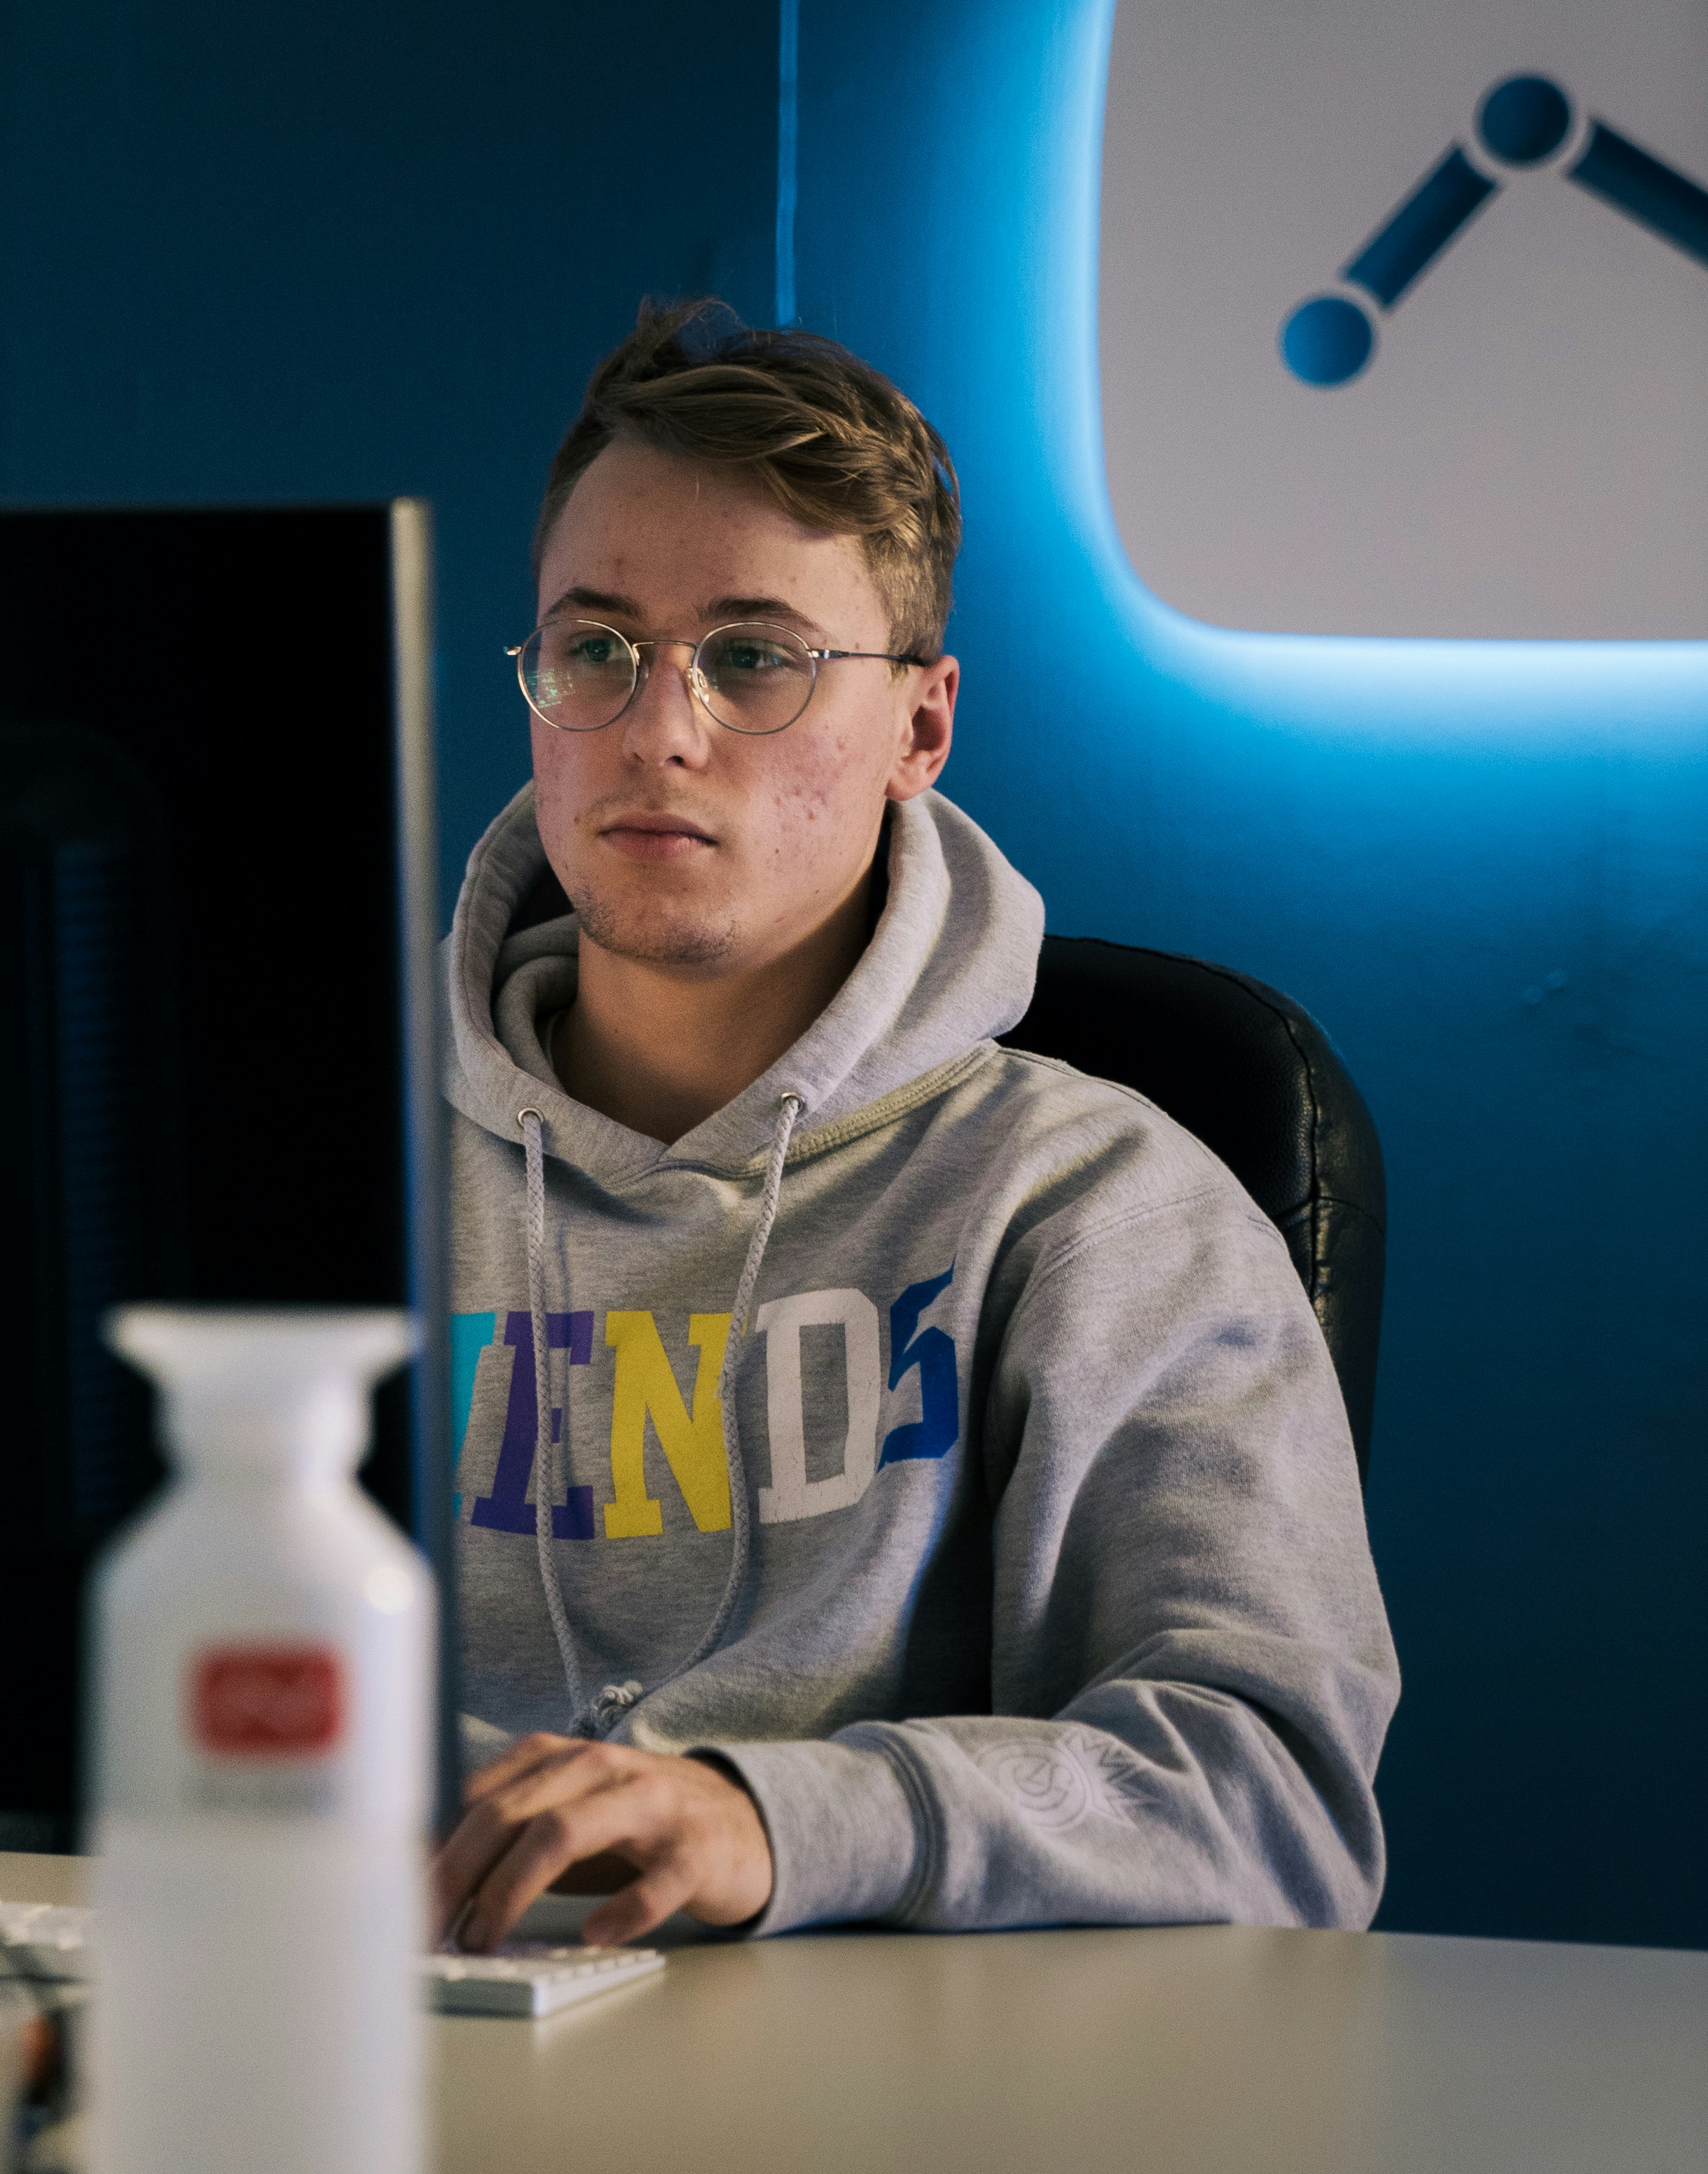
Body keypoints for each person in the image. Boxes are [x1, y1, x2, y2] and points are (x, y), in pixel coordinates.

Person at [432, 301, 1398, 1953]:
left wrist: (775, 1821)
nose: (657, 730)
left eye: (753, 659)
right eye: (597, 648)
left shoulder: (1101, 1210)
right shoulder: (303, 1178)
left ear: (921, 729)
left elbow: (1279, 1802)